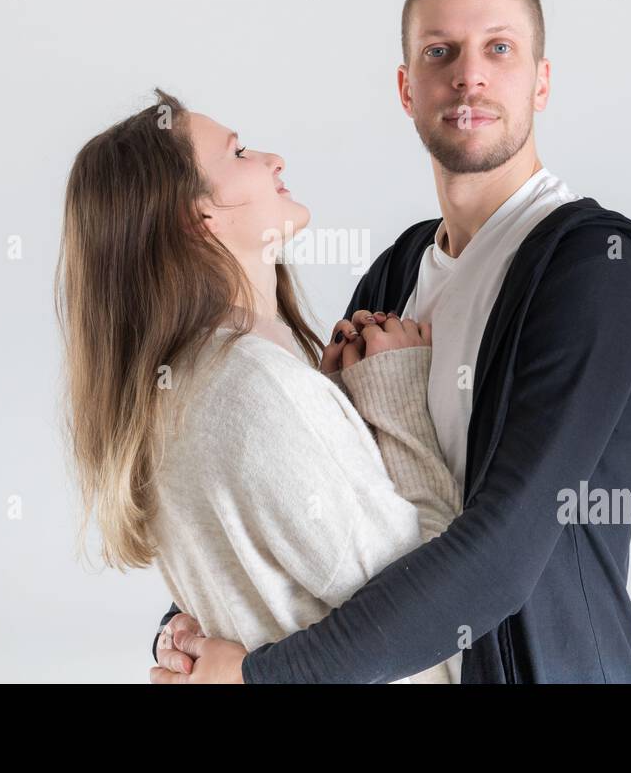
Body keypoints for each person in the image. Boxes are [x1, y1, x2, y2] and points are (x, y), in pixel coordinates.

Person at [150, 0, 631, 684]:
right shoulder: (397, 274)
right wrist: (190, 621)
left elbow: (503, 554)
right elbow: (317, 500)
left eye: (500, 48)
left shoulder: (592, 271)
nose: (470, 75)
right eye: (441, 52)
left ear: (542, 82)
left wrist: (260, 678)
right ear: (406, 88)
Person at [55, 89, 462, 684]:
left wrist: (342, 409)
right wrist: (397, 397)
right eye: (239, 152)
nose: (274, 160)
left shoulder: (184, 384)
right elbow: (426, 606)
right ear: (199, 217)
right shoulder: (258, 389)